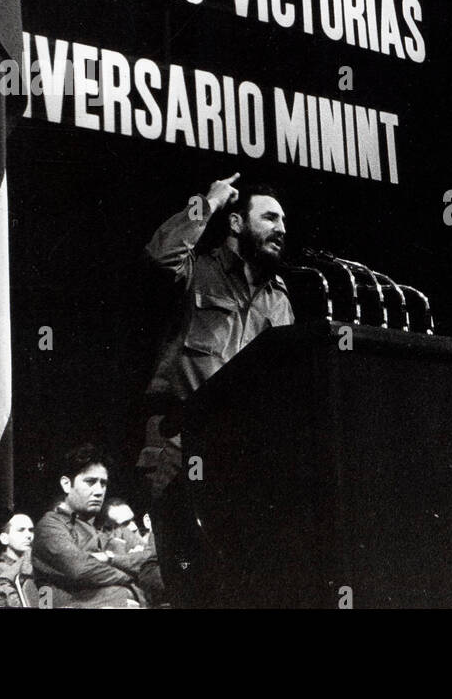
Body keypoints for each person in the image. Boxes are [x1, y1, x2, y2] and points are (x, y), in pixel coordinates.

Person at [138, 173, 295, 602]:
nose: (282, 228)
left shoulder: (278, 298)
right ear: (238, 224)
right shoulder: (197, 270)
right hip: (180, 445)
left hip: (243, 454)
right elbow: (160, 255)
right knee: (191, 579)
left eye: (284, 220)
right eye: (270, 217)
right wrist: (207, 201)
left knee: (242, 583)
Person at [34, 445, 145, 608]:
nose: (99, 491)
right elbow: (79, 569)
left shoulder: (107, 526)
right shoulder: (50, 526)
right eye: (90, 482)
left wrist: (110, 558)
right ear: (66, 484)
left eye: (103, 483)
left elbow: (149, 560)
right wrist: (130, 576)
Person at [0, 514, 39, 607]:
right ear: (4, 538)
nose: (28, 536)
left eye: (31, 530)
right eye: (21, 530)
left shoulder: (37, 566)